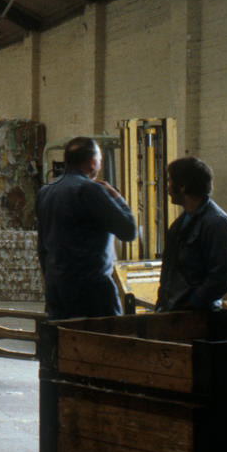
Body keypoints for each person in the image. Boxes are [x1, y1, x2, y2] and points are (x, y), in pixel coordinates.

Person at [36, 137, 137, 320]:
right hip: (92, 290)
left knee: (63, 335)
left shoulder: (46, 191)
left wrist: (52, 278)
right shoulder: (89, 190)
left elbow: (42, 247)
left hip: (56, 288)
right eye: (99, 160)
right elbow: (128, 231)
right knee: (105, 336)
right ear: (92, 162)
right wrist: (116, 197)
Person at [156, 157, 227, 311]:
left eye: (170, 182)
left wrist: (192, 304)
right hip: (175, 312)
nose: (167, 188)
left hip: (199, 317)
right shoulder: (179, 224)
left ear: (183, 187)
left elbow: (221, 278)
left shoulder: (217, 224)